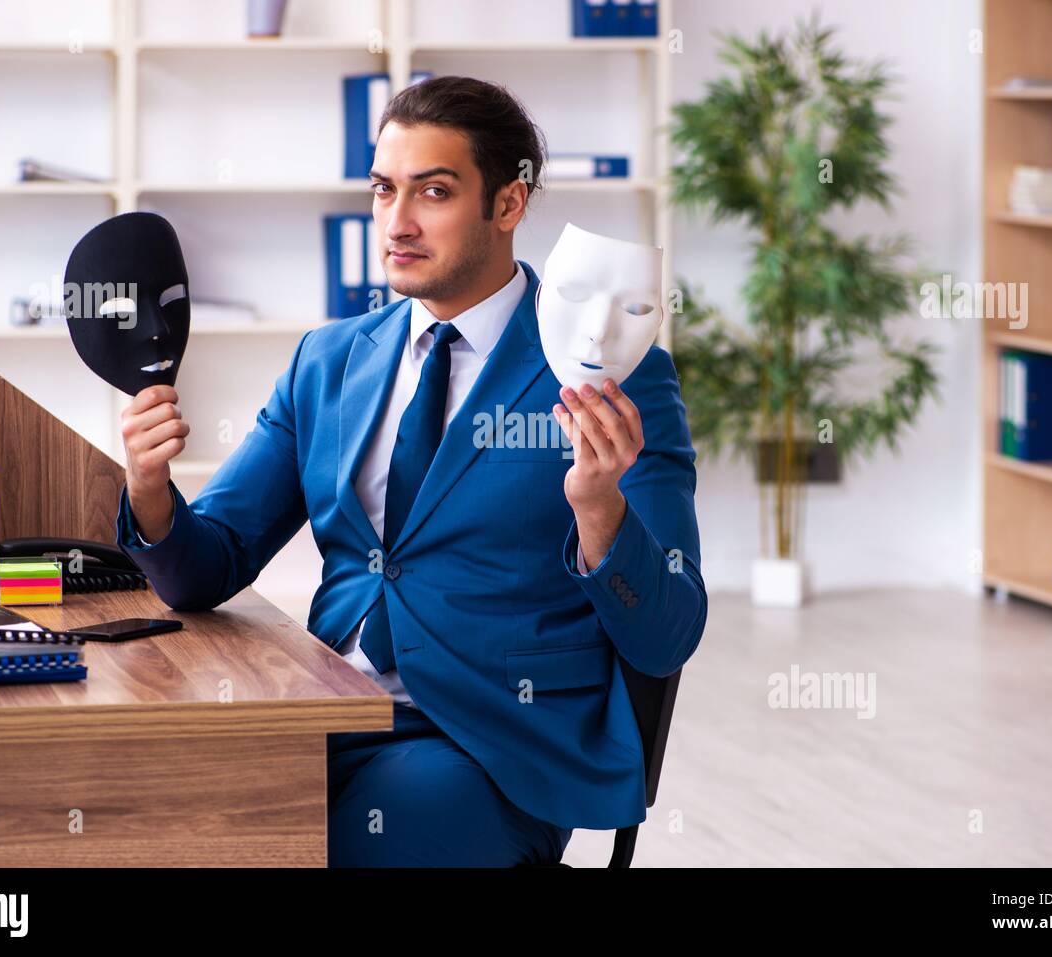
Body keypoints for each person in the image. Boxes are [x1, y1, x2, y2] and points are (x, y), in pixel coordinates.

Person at [115, 75, 707, 867]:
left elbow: (667, 629)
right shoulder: (327, 361)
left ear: (508, 203)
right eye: (383, 190)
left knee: (333, 844)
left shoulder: (617, 375)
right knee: (147, 814)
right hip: (319, 712)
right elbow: (207, 565)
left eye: (433, 191)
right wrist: (150, 490)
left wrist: (601, 513)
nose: (397, 221)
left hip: (491, 749)